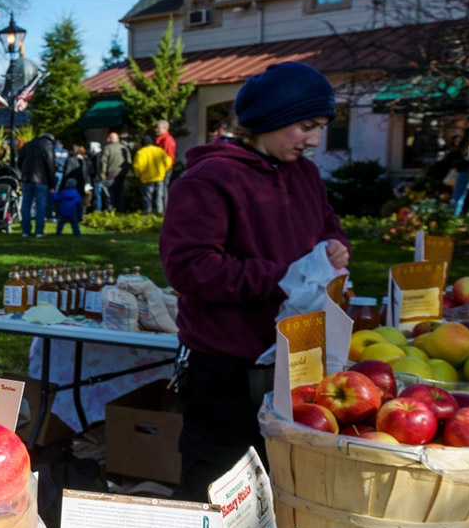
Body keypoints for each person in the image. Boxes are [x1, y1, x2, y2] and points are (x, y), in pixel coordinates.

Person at [160, 61, 350, 503]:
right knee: (220, 488)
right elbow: (189, 267)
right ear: (268, 120)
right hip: (228, 369)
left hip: (298, 358)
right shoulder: (209, 180)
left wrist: (337, 247)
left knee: (288, 484)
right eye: (306, 127)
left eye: (320, 128)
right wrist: (281, 279)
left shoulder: (305, 174)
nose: (314, 140)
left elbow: (328, 226)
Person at [18, 131, 56, 238]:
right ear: (49, 140)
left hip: (27, 179)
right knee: (40, 206)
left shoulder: (27, 145)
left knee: (26, 205)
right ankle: (39, 231)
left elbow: (19, 161)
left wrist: (23, 173)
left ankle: (25, 231)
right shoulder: (47, 146)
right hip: (41, 181)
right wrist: (51, 184)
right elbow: (50, 166)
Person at [132, 135, 173, 214]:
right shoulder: (159, 150)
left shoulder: (141, 152)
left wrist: (139, 175)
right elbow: (168, 162)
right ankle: (159, 211)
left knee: (147, 196)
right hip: (159, 177)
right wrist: (164, 170)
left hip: (147, 178)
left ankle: (148, 212)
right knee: (159, 196)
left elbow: (138, 166)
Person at [98, 132, 131, 213]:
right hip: (121, 175)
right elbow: (128, 162)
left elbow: (103, 162)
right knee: (120, 194)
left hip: (111, 176)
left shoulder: (107, 148)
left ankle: (111, 212)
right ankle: (120, 211)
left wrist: (102, 176)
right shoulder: (124, 148)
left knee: (110, 196)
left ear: (109, 139)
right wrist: (125, 173)